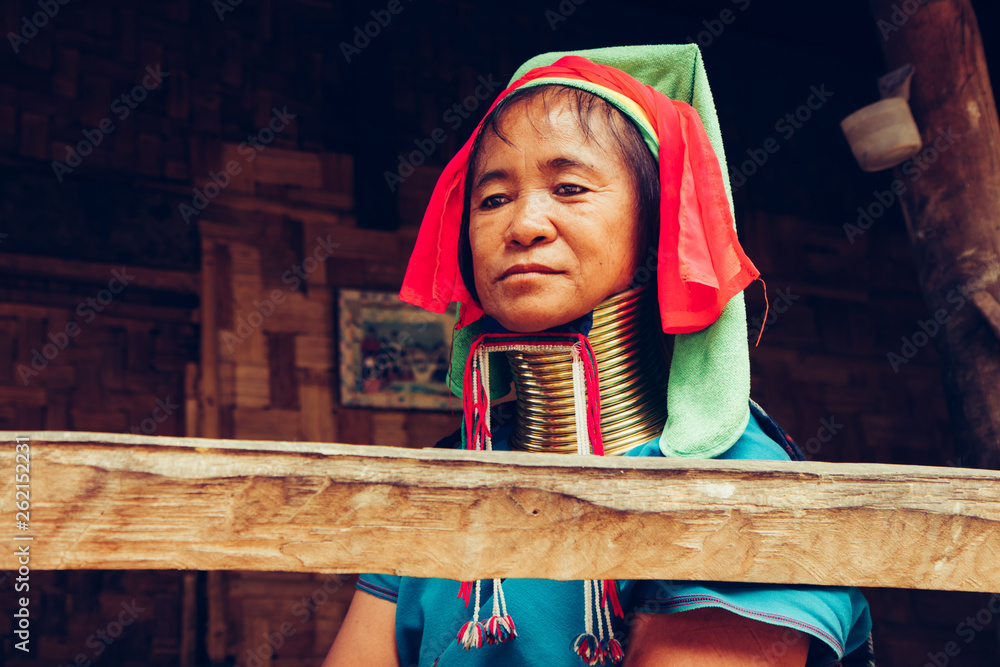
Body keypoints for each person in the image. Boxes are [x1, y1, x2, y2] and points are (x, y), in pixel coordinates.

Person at [323, 45, 873, 667]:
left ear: (658, 228)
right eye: (493, 198)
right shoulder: (443, 475)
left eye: (570, 187)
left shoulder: (738, 478)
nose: (525, 223)